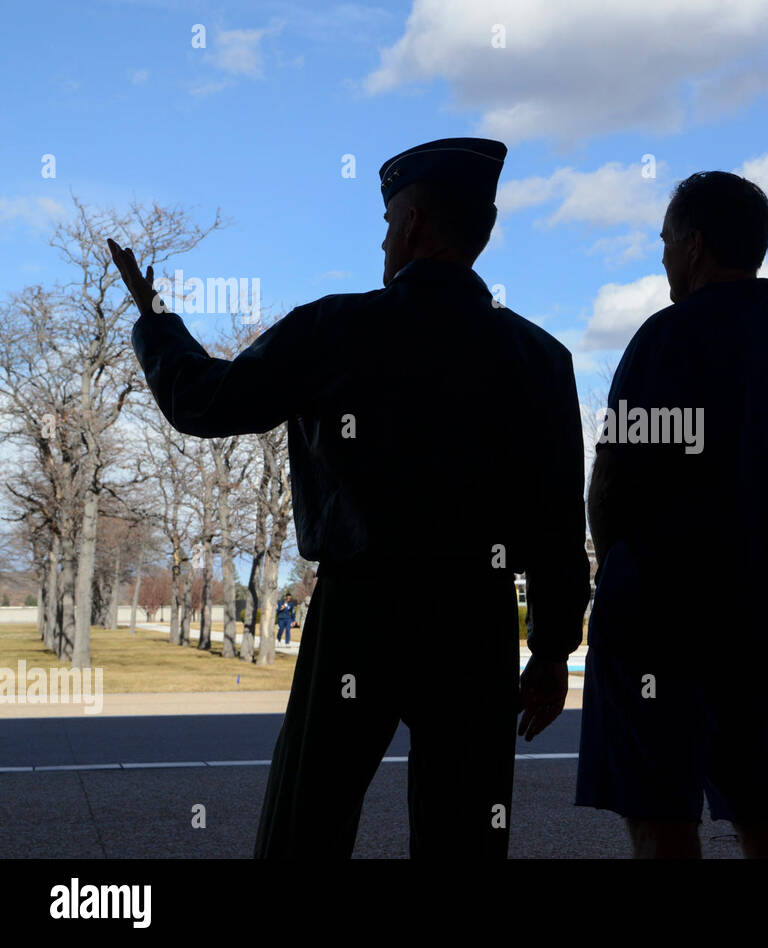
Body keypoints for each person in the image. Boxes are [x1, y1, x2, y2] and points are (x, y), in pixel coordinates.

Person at [111, 137, 592, 859]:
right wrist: (553, 650)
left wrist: (155, 319)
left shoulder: (338, 328)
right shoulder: (540, 357)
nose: (382, 236)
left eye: (389, 219)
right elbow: (559, 523)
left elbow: (203, 402)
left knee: (307, 823)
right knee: (465, 835)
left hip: (360, 612)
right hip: (473, 617)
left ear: (415, 225)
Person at [578, 171, 768, 859]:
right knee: (764, 807)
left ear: (694, 245)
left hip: (660, 613)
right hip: (763, 616)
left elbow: (613, 480)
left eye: (666, 241)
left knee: (661, 814)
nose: (662, 255)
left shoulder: (668, 338)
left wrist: (614, 575)